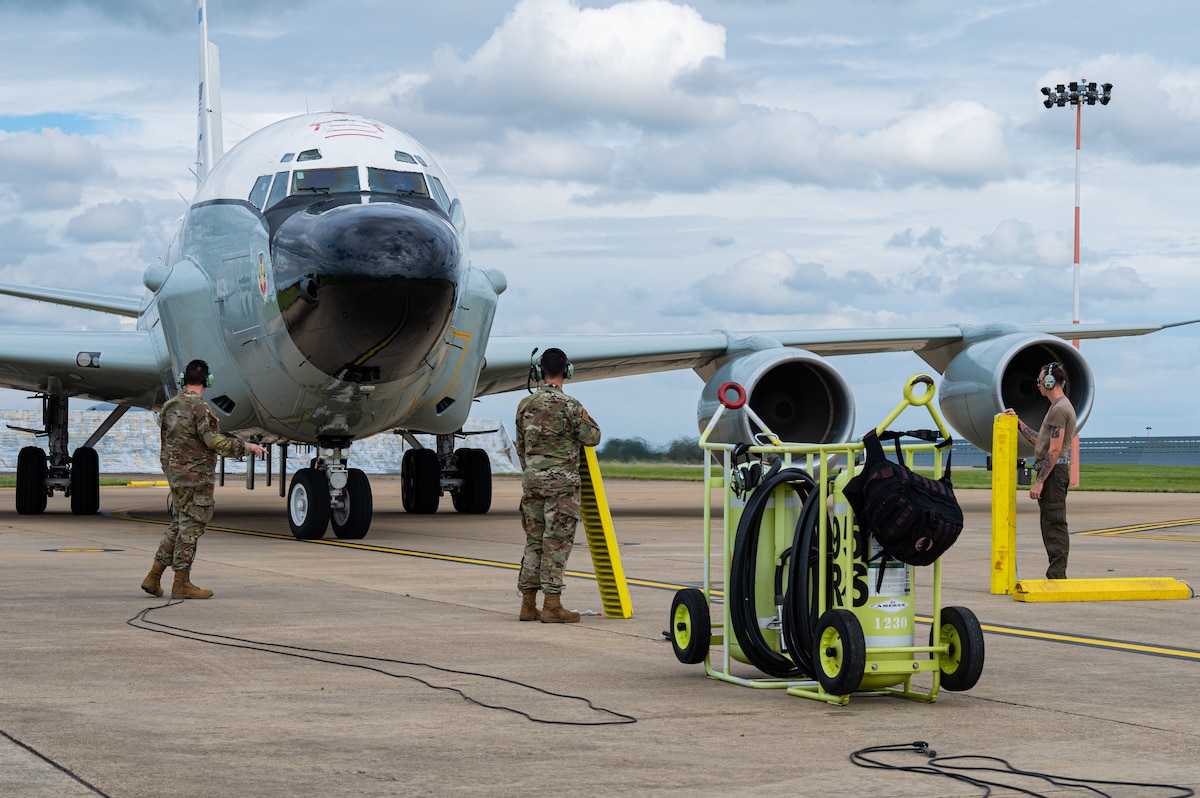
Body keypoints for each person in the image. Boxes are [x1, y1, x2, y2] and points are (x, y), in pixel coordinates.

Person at [141, 359, 266, 599]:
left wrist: (172, 471)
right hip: (196, 478)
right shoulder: (201, 408)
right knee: (191, 527)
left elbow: (165, 445)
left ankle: (153, 576)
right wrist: (246, 447)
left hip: (176, 476)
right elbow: (214, 441)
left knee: (179, 524)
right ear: (208, 381)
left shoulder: (169, 406)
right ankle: (181, 583)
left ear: (183, 379)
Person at [515, 348, 601, 623]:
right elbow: (593, 437)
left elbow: (521, 446)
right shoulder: (571, 406)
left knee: (534, 542)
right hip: (561, 486)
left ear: (539, 372)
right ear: (567, 371)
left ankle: (528, 605)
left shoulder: (524, 405)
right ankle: (552, 605)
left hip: (532, 483)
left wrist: (534, 471)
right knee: (556, 543)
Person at [1003, 361, 1077, 579]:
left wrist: (1040, 481)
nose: (1037, 384)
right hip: (1053, 470)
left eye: (1040, 380)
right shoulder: (1056, 408)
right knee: (1049, 523)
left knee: (1054, 523)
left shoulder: (1060, 409)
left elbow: (1054, 450)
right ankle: (1056, 573)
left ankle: (1057, 575)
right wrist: (1019, 423)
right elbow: (1041, 442)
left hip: (1054, 473)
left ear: (1050, 382)